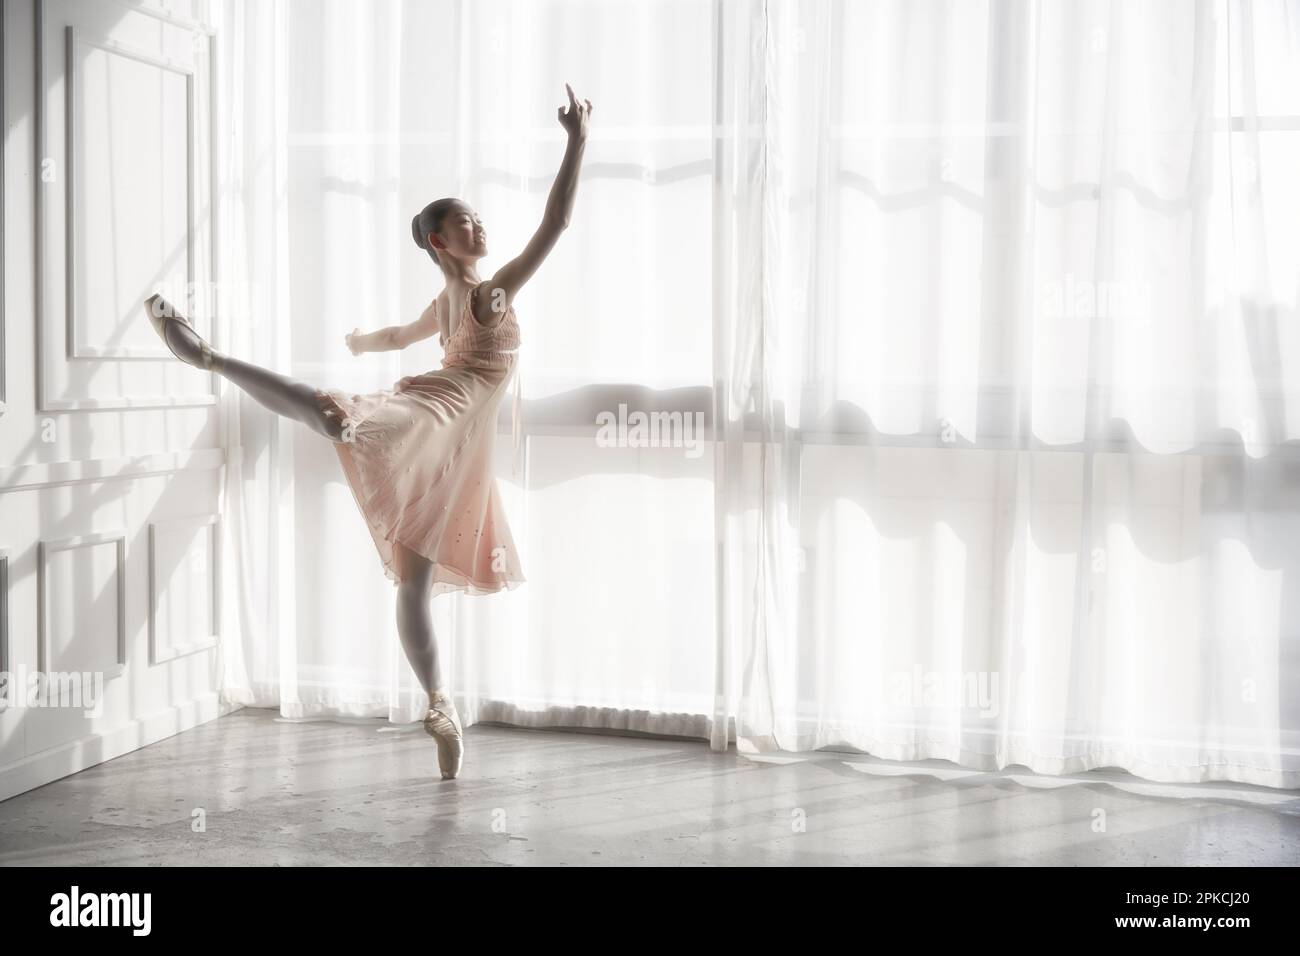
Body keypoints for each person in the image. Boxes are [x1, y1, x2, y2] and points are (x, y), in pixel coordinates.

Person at [142, 83, 592, 779]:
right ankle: (211, 356)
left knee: (411, 582)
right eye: (467, 221)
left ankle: (440, 707)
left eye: (477, 217)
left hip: (454, 440)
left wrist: (362, 344)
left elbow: (400, 331)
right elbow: (554, 223)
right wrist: (577, 140)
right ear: (441, 240)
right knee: (335, 418)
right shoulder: (477, 294)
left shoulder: (465, 297)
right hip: (436, 413)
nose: (481, 226)